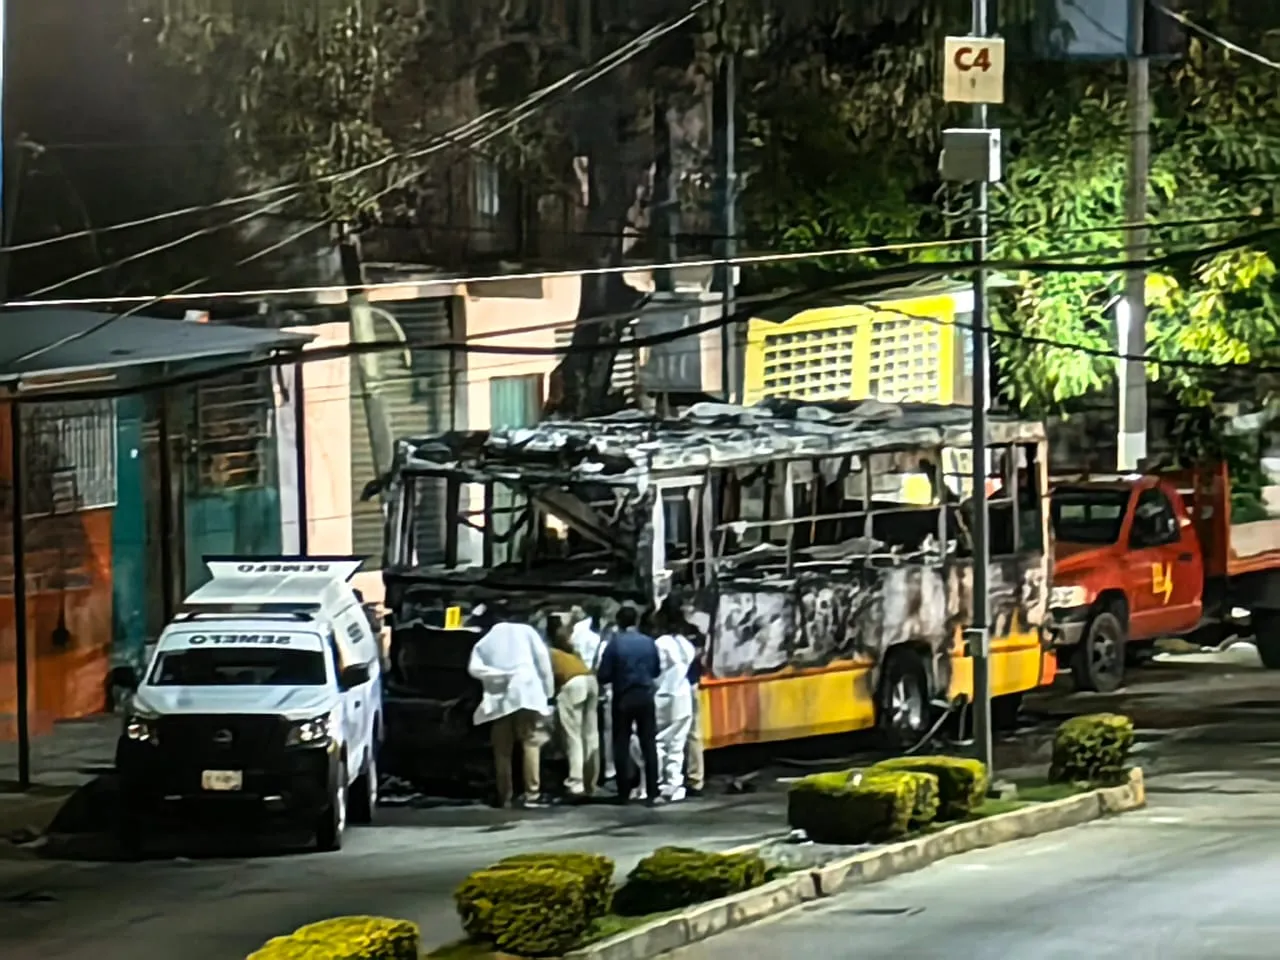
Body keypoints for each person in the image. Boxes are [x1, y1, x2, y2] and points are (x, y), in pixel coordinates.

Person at [467, 605, 555, 808]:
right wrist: (548, 693)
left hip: (500, 700)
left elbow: (474, 668)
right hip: (527, 694)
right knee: (530, 743)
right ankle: (532, 794)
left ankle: (505, 795)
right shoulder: (527, 631)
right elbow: (542, 660)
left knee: (502, 750)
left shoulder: (487, 639)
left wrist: (497, 676)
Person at [596, 604, 660, 806]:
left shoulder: (614, 644)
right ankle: (652, 790)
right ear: (636, 621)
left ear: (619, 622)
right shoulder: (649, 643)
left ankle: (623, 792)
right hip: (645, 695)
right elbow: (656, 670)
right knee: (648, 743)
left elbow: (603, 675)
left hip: (623, 696)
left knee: (621, 743)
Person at [647, 607, 697, 802]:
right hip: (683, 694)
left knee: (659, 740)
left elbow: (656, 670)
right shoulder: (685, 644)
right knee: (677, 742)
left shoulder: (661, 643)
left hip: (664, 694)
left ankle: (659, 783)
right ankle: (675, 784)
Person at [549, 620, 600, 798]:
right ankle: (591, 781)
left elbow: (548, 679)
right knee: (591, 734)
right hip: (590, 681)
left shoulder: (551, 653)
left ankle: (576, 782)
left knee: (573, 735)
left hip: (572, 684)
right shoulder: (574, 653)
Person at [571, 601, 615, 786]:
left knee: (603, 730)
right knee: (590, 730)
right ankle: (591, 773)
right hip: (590, 680)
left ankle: (605, 770)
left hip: (599, 681)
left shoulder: (610, 630)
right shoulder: (582, 630)